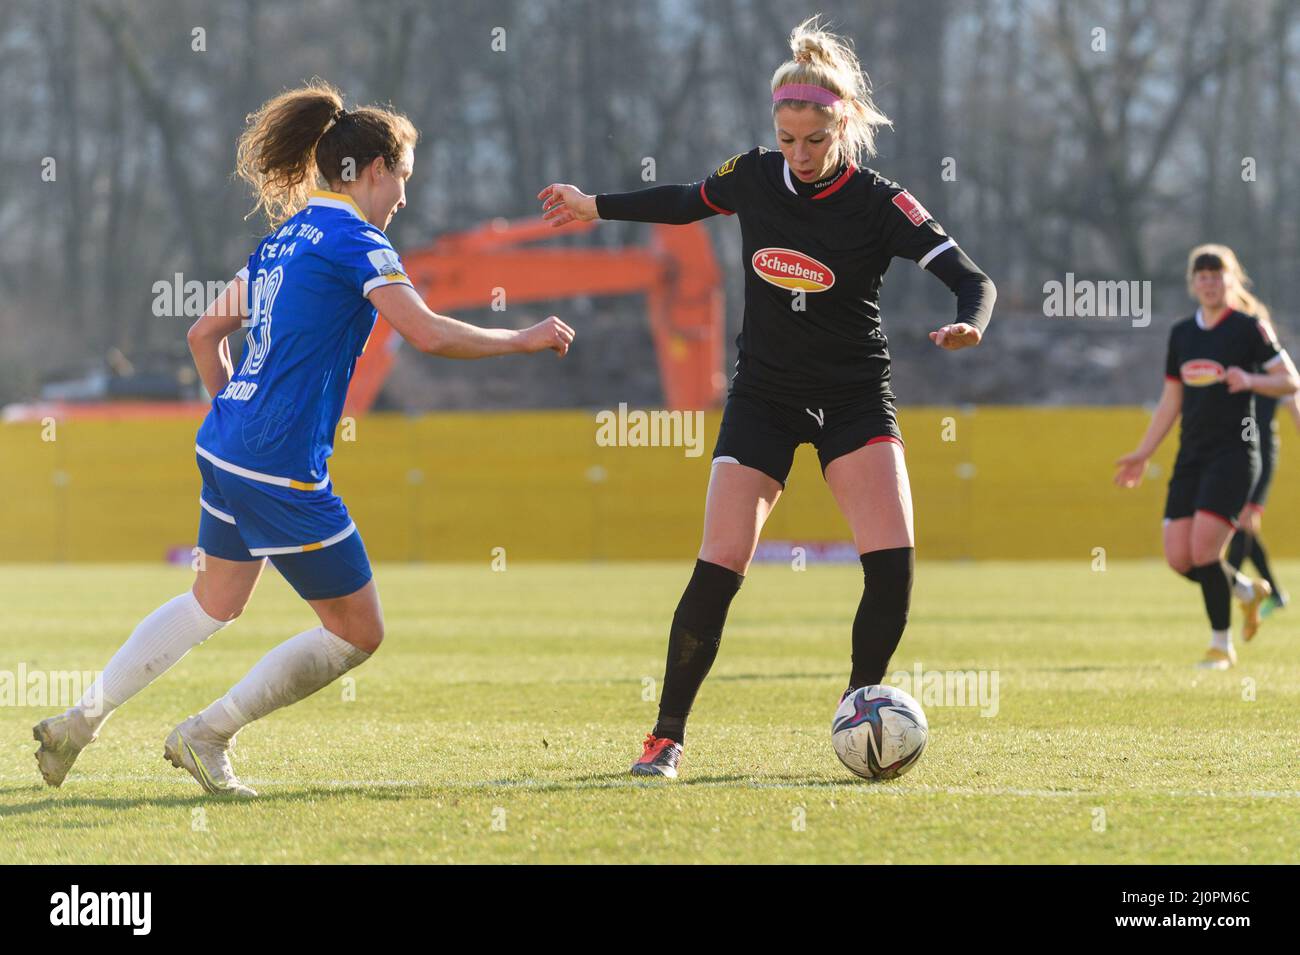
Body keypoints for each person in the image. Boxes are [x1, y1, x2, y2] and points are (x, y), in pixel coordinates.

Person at [33, 81, 575, 796]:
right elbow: (426, 330)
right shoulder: (357, 240)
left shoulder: (283, 238)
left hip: (225, 443)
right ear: (374, 169)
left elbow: (203, 333)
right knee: (359, 630)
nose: (403, 200)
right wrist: (523, 338)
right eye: (402, 179)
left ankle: (79, 721)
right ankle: (206, 733)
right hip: (278, 464)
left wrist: (235, 406)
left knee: (211, 602)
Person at [539, 16, 995, 778]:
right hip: (766, 396)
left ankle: (860, 711)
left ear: (842, 125)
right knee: (719, 563)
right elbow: (687, 200)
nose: (799, 154)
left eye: (813, 140)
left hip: (853, 395)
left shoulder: (883, 203)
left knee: (892, 565)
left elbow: (972, 280)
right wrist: (596, 205)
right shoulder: (754, 174)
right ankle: (665, 738)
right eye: (787, 139)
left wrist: (968, 326)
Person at [1115, 244, 1298, 669]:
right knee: (1178, 556)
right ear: (1193, 283)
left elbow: (1290, 381)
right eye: (1202, 276)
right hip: (1191, 455)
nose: (1210, 283)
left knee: (1203, 551)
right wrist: (1143, 453)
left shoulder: (1250, 328)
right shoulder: (1182, 334)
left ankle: (1221, 646)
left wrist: (1250, 378)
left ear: (1232, 280)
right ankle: (1247, 591)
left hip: (1235, 455)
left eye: (1218, 275)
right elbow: (1170, 399)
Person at [1226, 385, 1300, 617]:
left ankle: (1228, 585)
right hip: (1235, 457)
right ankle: (1273, 593)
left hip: (1260, 459)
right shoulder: (1239, 367)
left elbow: (1294, 406)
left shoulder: (1275, 370)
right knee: (1245, 526)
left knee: (1244, 522)